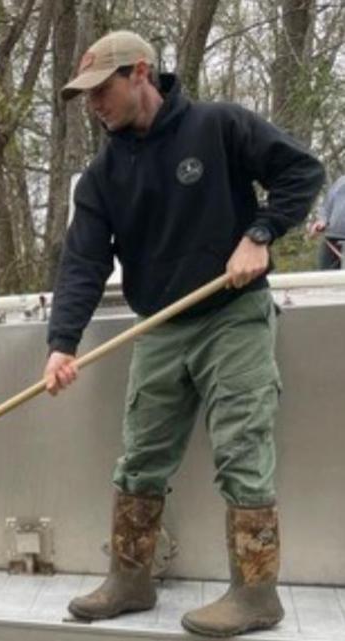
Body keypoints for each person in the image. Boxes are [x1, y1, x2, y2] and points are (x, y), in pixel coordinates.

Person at [45, 31, 324, 638]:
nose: (94, 104)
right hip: (161, 327)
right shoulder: (101, 176)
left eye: (102, 90)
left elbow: (303, 171)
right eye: (85, 96)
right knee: (140, 457)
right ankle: (129, 580)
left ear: (140, 72)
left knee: (242, 451)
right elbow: (84, 264)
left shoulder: (218, 127)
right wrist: (62, 344)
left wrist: (261, 234)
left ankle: (256, 595)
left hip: (233, 316)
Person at [309, 175, 345, 269]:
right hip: (331, 239)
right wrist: (322, 221)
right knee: (325, 278)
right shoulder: (341, 181)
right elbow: (327, 206)